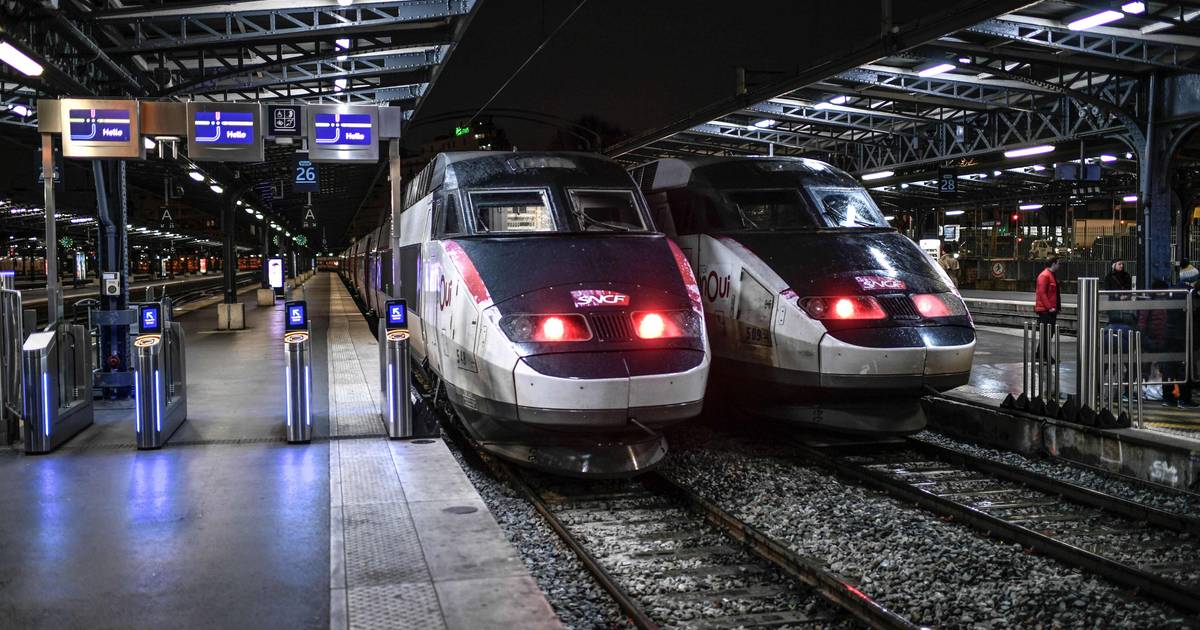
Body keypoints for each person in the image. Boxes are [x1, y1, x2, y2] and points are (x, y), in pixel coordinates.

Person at [1139, 279, 1197, 408]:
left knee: (1168, 368)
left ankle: (1168, 398)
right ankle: (1183, 399)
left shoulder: (1167, 298)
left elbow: (1143, 325)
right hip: (1173, 338)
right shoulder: (1185, 295)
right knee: (1181, 367)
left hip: (1164, 339)